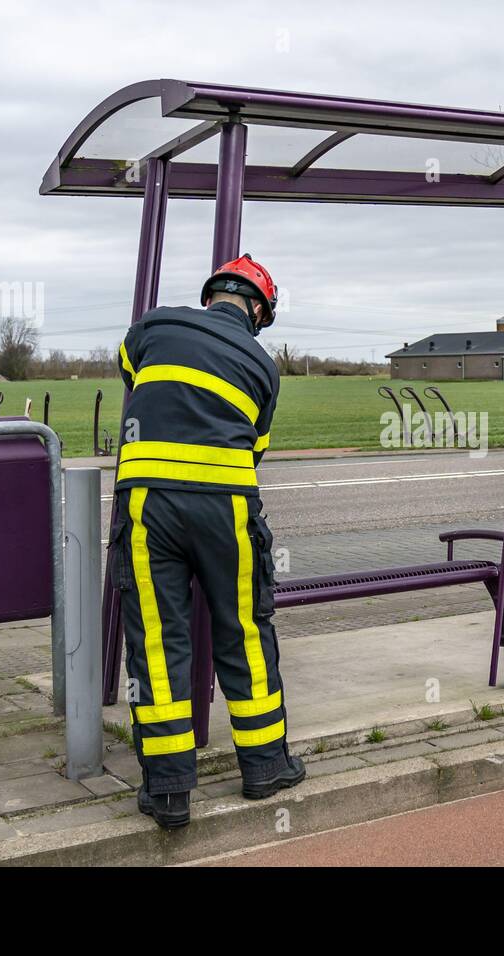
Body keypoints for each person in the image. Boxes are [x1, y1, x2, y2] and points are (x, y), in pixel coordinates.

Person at [112, 254, 304, 829]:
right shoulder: (264, 367)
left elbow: (130, 371)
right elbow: (256, 447)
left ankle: (169, 791)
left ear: (211, 296)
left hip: (149, 504)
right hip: (228, 510)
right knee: (243, 630)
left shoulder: (152, 326)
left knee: (156, 641)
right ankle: (265, 766)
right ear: (258, 311)